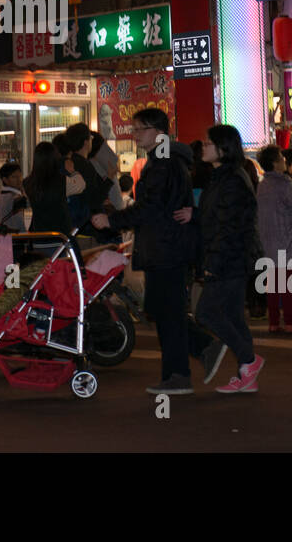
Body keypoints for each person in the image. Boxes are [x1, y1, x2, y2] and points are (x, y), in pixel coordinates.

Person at [90, 108, 200, 396]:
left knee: (168, 313)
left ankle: (179, 373)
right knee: (163, 310)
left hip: (166, 248)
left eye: (140, 129)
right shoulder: (162, 160)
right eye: (135, 128)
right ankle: (189, 362)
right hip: (164, 247)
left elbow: (151, 208)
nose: (135, 134)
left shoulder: (163, 163)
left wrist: (112, 220)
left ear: (158, 132)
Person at [195, 125, 266, 394]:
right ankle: (247, 376)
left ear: (223, 148)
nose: (204, 146)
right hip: (231, 257)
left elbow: (229, 227)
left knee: (206, 312)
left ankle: (248, 360)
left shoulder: (232, 180)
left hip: (230, 258)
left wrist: (212, 263)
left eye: (208, 142)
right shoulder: (221, 177)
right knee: (235, 317)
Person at [255, 145, 292, 334]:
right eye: (280, 158)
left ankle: (273, 321)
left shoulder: (262, 185)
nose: (284, 160)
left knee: (273, 282)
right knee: (287, 281)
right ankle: (289, 320)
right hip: (286, 236)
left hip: (268, 238)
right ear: (274, 163)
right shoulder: (285, 183)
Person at [0, 161, 27, 231]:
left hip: (5, 236)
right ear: (5, 180)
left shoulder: (2, 194)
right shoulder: (13, 197)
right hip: (15, 237)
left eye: (20, 176)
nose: (19, 180)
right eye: (14, 177)